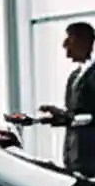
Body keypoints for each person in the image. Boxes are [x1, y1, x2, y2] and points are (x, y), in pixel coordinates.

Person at [40, 21, 95, 176]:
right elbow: (75, 114)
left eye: (69, 39)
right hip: (74, 161)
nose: (65, 45)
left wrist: (70, 118)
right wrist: (61, 117)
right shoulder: (74, 76)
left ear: (84, 41)